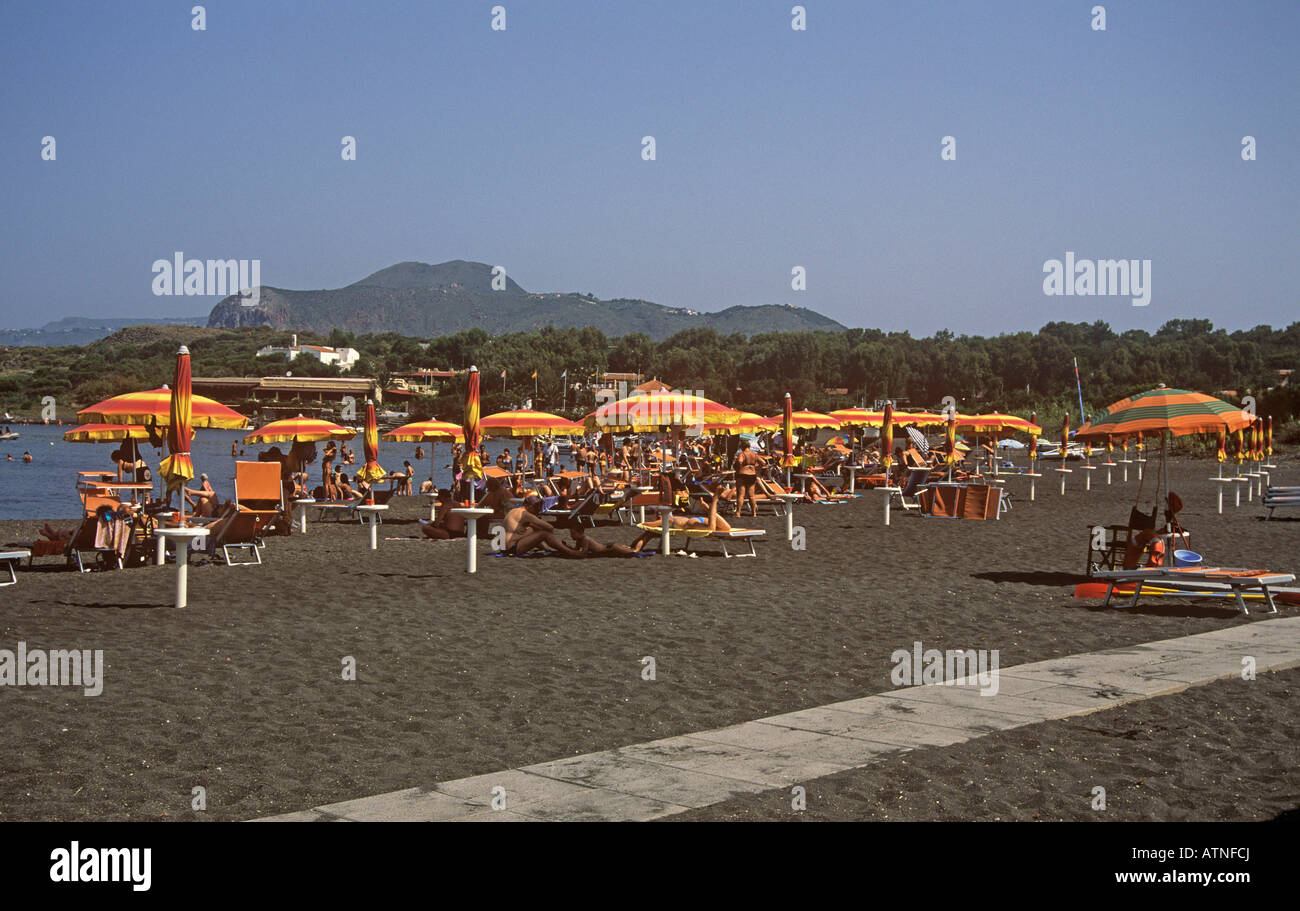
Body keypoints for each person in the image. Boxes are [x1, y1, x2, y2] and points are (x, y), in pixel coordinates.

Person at [502, 496, 583, 556]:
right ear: (530, 506)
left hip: (505, 547)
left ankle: (549, 548)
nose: (537, 511)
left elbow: (531, 532)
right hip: (512, 547)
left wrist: (547, 547)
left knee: (533, 529)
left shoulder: (514, 511)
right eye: (536, 508)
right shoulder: (525, 514)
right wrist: (551, 537)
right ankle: (570, 552)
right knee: (544, 533)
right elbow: (549, 527)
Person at [733, 439, 763, 517]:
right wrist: (757, 468)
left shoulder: (741, 453)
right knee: (752, 495)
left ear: (742, 446)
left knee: (741, 495)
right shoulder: (754, 454)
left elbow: (740, 461)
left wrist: (739, 467)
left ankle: (738, 513)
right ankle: (754, 513)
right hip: (752, 474)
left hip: (742, 474)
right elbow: (763, 462)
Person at [568, 524, 636, 557]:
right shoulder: (579, 540)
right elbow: (576, 549)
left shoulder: (585, 539)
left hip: (610, 548)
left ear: (581, 532)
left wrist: (570, 552)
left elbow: (583, 554)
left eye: (573, 533)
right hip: (607, 547)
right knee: (630, 550)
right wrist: (568, 547)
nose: (571, 536)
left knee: (632, 553)